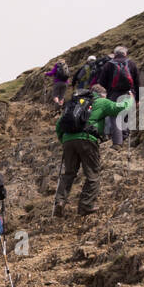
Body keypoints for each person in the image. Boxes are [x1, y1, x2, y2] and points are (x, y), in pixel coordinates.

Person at [53, 84, 113, 216]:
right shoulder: (102, 101)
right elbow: (120, 108)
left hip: (68, 141)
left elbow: (59, 125)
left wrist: (63, 140)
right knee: (93, 174)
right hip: (87, 139)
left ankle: (60, 202)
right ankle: (86, 206)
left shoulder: (75, 103)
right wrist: (130, 99)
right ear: (102, 94)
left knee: (69, 174)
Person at [97, 45, 141, 145]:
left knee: (115, 117)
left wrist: (109, 89)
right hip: (129, 93)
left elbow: (101, 81)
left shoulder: (108, 64)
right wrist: (138, 99)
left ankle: (117, 143)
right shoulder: (131, 63)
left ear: (115, 54)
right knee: (126, 116)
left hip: (113, 94)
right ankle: (125, 137)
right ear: (125, 53)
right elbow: (137, 82)